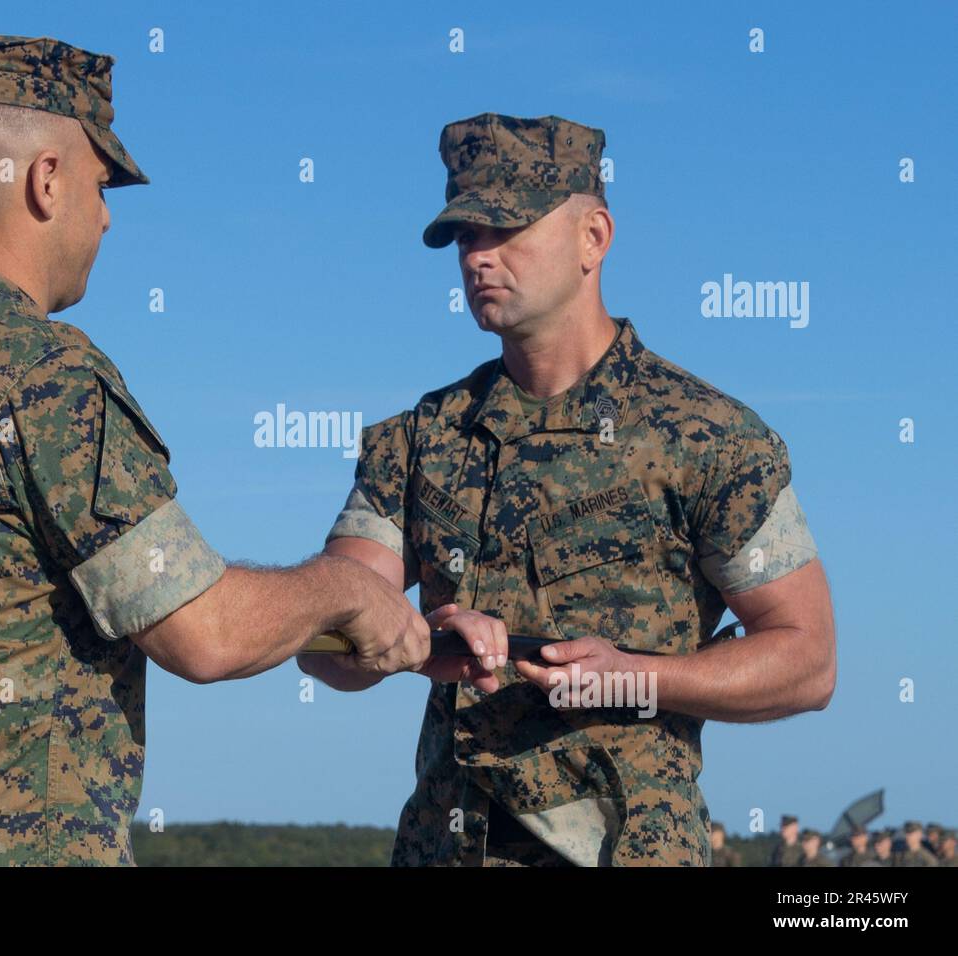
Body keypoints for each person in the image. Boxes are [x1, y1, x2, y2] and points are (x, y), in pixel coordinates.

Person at [0, 35, 457, 866]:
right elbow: (204, 632)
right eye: (100, 183)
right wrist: (345, 590)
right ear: (45, 180)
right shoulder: (37, 367)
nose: (107, 215)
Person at [299, 113, 837, 866]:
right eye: (464, 236)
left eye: (506, 228)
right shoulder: (417, 441)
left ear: (594, 237)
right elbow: (322, 639)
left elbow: (809, 660)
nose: (479, 257)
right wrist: (418, 644)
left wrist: (639, 678)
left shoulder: (707, 437)